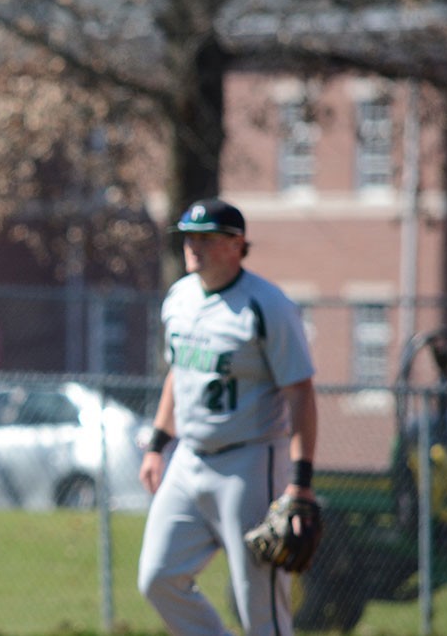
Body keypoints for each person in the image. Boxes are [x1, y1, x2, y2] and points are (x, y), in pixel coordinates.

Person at [136, 198, 319, 636]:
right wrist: (159, 445)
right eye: (189, 237)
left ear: (237, 244)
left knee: (258, 602)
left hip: (250, 462)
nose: (194, 245)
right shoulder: (179, 297)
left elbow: (300, 393)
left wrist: (300, 484)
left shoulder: (267, 305)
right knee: (158, 579)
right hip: (189, 458)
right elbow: (178, 375)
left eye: (207, 237)